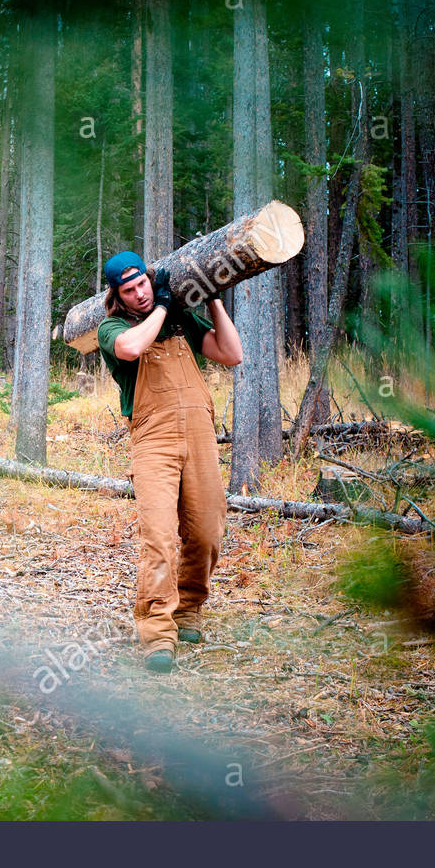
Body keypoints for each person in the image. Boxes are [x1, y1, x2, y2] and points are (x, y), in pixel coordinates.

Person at [96, 251, 243, 673]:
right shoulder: (113, 328)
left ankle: (190, 609)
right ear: (118, 296)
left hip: (199, 433)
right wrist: (161, 305)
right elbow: (132, 347)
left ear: (148, 277)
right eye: (130, 290)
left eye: (143, 283)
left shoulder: (182, 320)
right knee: (159, 537)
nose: (140, 293)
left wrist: (213, 299)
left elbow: (231, 354)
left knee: (207, 530)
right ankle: (158, 633)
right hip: (153, 439)